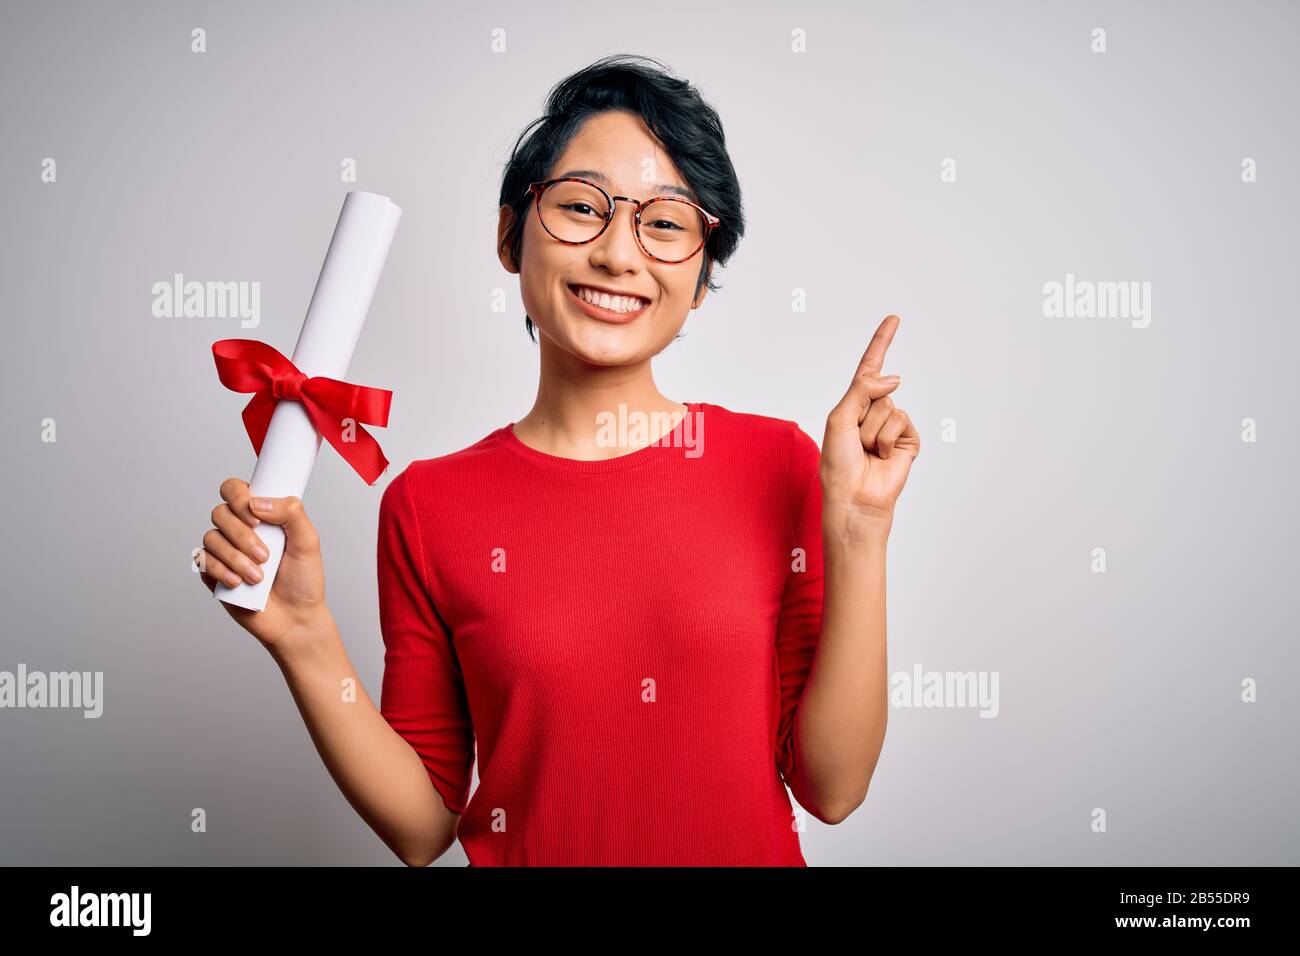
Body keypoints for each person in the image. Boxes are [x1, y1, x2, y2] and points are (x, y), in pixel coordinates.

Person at [196, 54, 920, 866]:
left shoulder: (777, 463)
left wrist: (859, 531)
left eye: (667, 223)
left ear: (704, 279)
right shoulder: (427, 505)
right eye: (582, 207)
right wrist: (304, 636)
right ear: (511, 234)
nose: (618, 253)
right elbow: (423, 824)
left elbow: (834, 787)